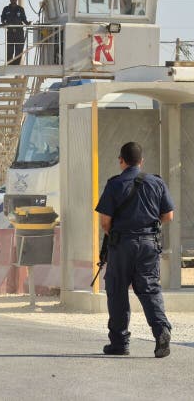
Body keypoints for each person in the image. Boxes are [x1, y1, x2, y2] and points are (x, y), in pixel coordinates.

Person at [95, 142, 174, 358]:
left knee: (118, 290)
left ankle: (120, 343)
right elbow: (168, 216)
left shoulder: (115, 184)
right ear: (141, 161)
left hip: (122, 244)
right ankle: (161, 332)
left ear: (121, 160)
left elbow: (105, 222)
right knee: (149, 288)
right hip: (149, 244)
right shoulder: (157, 182)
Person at [0, 0, 30, 65]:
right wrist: (4, 23)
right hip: (10, 32)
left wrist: (28, 23)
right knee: (9, 50)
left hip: (19, 32)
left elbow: (24, 20)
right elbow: (2, 19)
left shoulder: (20, 9)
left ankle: (16, 64)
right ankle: (10, 64)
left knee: (19, 49)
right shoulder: (6, 9)